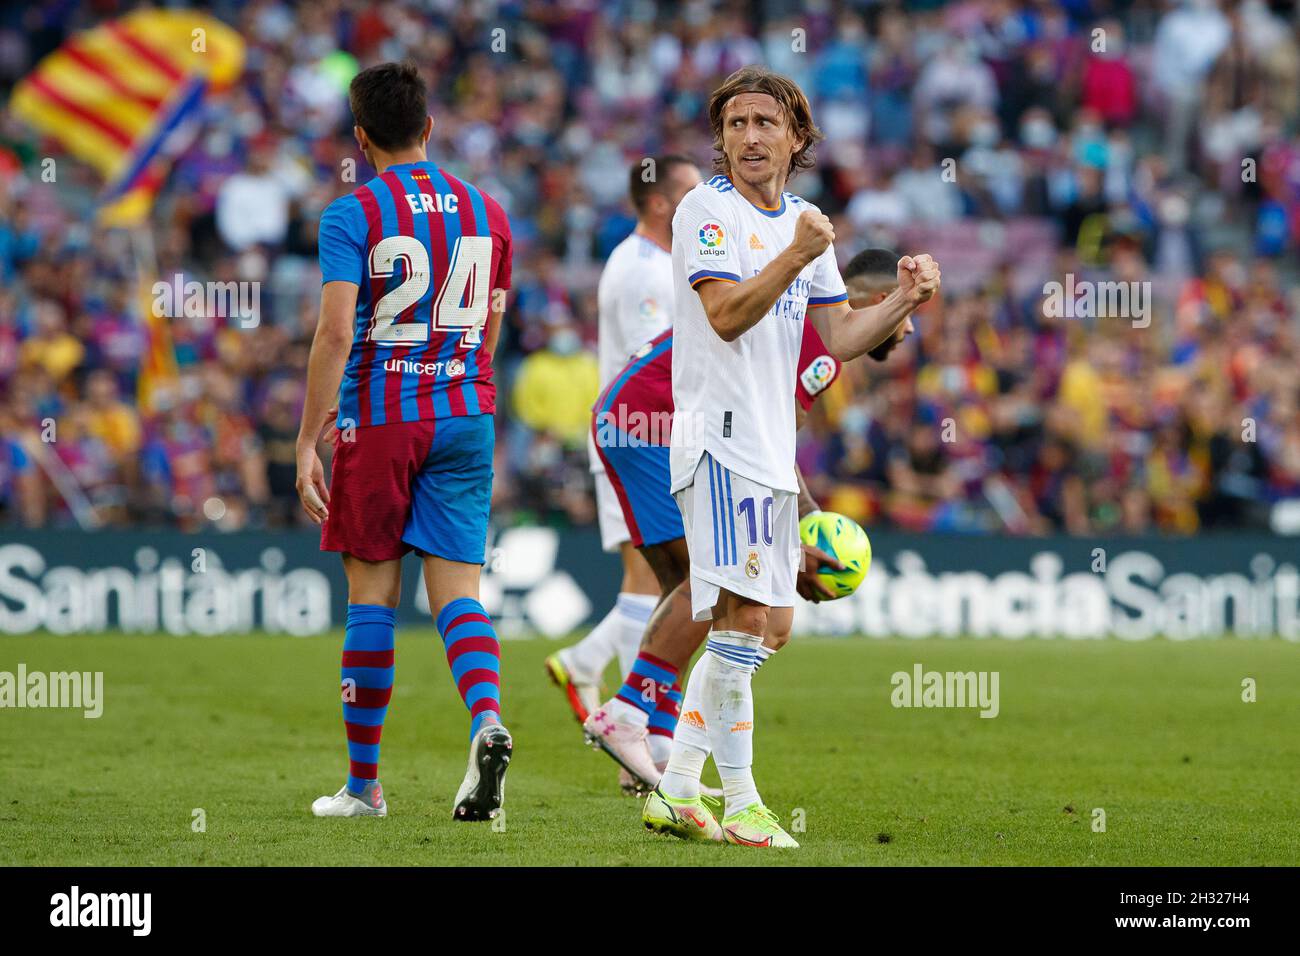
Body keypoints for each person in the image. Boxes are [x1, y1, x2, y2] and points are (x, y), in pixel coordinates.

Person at [651, 66, 939, 847]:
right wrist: (797, 252)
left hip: (773, 450)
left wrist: (904, 300)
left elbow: (840, 338)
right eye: (736, 124)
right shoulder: (703, 211)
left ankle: (678, 786)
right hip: (718, 437)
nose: (749, 136)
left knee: (760, 626)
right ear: (720, 139)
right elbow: (725, 315)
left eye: (765, 124)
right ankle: (740, 802)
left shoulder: (807, 221)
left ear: (797, 138)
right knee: (744, 619)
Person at [581, 248, 911, 808]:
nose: (906, 331)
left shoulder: (799, 309)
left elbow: (775, 430)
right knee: (709, 582)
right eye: (903, 316)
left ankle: (658, 746)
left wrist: (804, 519)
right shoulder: (823, 337)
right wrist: (796, 536)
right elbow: (772, 436)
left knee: (685, 585)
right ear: (878, 302)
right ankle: (626, 714)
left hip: (632, 414)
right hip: (656, 426)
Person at [295, 61, 514, 821]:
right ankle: (486, 718)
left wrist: (305, 440)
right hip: (466, 412)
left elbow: (332, 332)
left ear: (361, 137)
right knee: (459, 595)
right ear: (429, 127)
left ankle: (363, 788)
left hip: (381, 419)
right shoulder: (489, 211)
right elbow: (490, 322)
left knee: (372, 600)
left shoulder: (351, 214)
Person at [544, 157, 702, 745]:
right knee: (668, 584)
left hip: (642, 437)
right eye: (688, 190)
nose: (701, 198)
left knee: (661, 584)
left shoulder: (654, 263)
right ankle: (625, 706)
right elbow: (654, 359)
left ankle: (607, 685)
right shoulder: (646, 272)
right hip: (640, 438)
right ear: (660, 203)